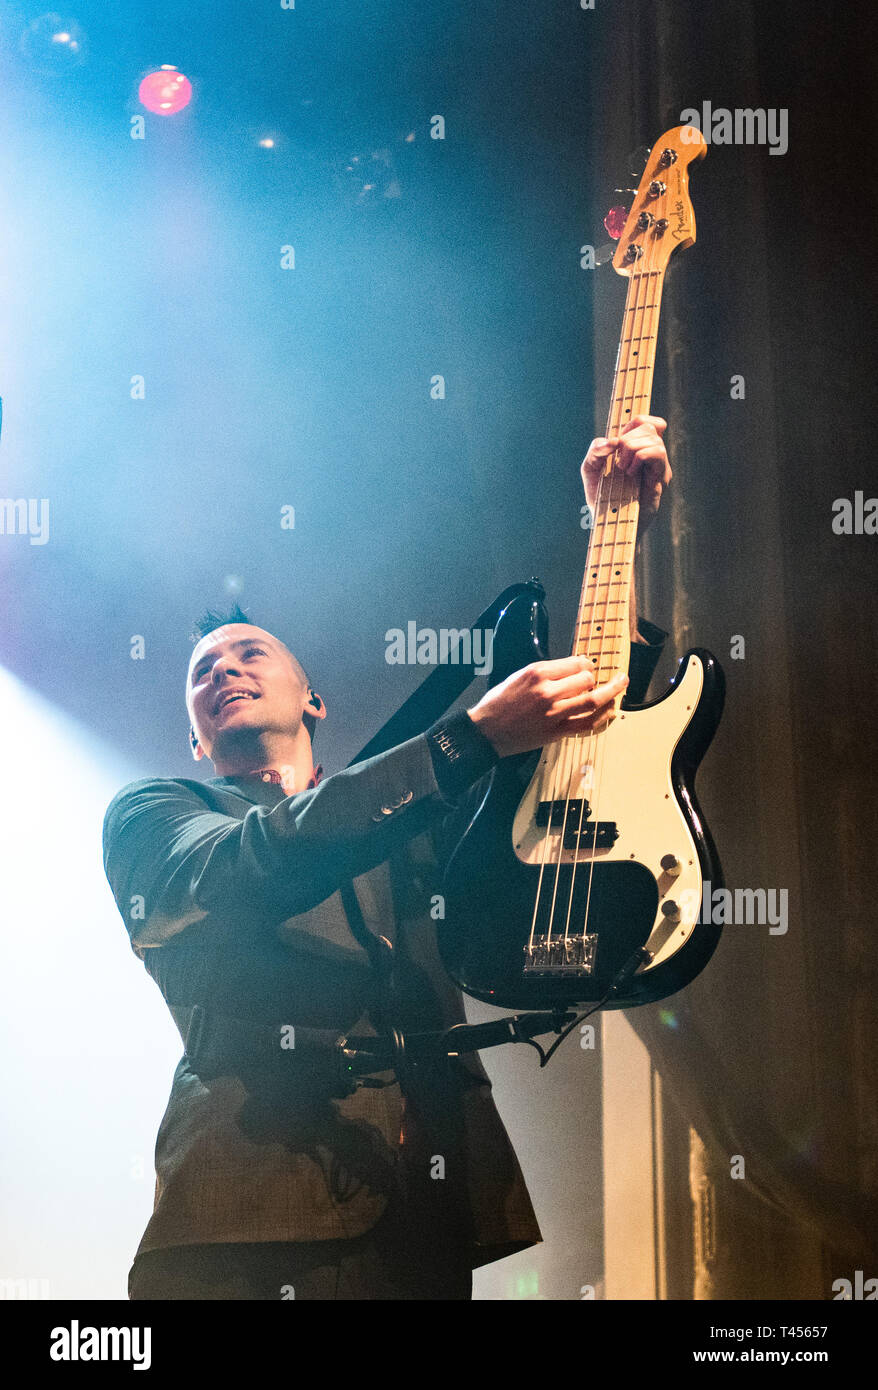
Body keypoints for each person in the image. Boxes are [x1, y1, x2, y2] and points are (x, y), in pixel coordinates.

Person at [102, 416, 671, 1300]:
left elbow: (577, 782)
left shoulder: (408, 815)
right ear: (193, 733)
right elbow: (251, 866)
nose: (224, 669)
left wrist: (618, 532)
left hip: (421, 1218)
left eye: (250, 652)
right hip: (240, 1229)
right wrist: (463, 740)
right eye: (203, 671)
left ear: (314, 699)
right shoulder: (158, 814)